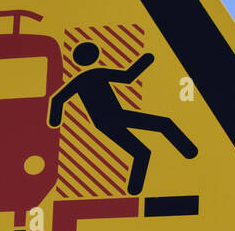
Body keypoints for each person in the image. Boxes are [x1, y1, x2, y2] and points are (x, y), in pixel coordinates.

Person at [48, 42, 197, 196]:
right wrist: (146, 59)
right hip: (117, 116)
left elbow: (57, 99)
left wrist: (55, 121)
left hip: (102, 123)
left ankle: (134, 190)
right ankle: (190, 152)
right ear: (93, 56)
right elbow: (128, 77)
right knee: (163, 124)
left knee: (141, 152)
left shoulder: (79, 80)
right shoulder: (98, 73)